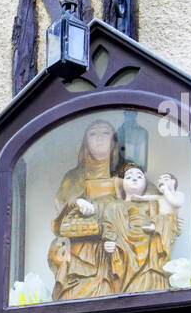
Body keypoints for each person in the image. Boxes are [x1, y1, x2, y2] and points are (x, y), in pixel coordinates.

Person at [47, 119, 140, 300]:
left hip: (117, 245)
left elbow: (145, 200)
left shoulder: (128, 173)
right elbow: (61, 208)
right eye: (93, 134)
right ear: (85, 142)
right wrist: (75, 202)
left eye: (105, 133)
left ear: (114, 142)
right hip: (81, 248)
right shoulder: (73, 177)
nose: (99, 138)